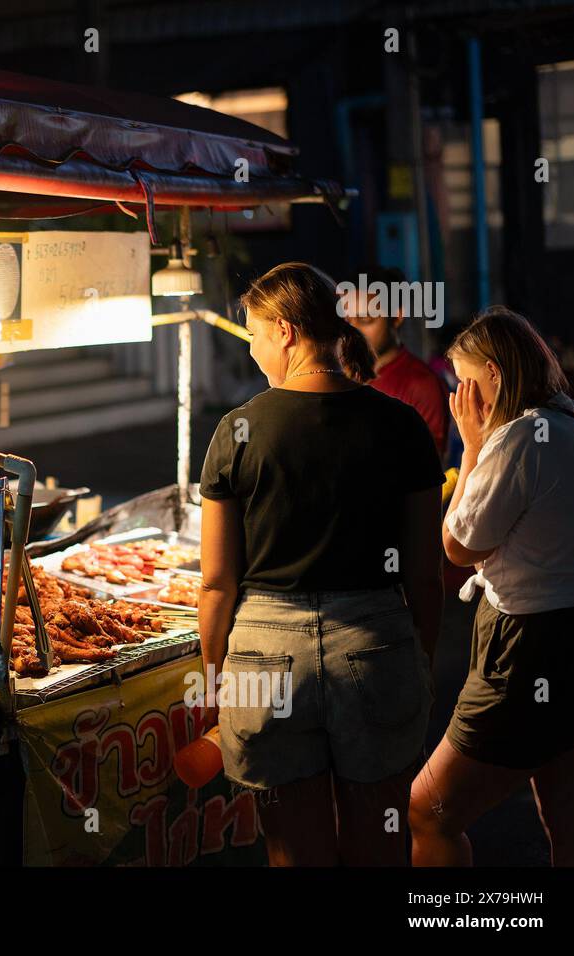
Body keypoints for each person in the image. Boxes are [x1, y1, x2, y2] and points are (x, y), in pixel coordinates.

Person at [199, 262, 444, 866]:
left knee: (293, 849)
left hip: (264, 653)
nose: (253, 350)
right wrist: (421, 659)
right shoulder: (399, 425)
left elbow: (216, 583)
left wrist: (211, 673)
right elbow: (423, 573)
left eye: (253, 333)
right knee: (380, 842)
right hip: (376, 642)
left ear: (284, 330)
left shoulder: (238, 432)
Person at [409, 306, 574, 866]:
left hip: (526, 646)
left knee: (426, 810)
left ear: (493, 372)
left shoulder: (516, 441)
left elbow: (459, 546)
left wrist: (469, 449)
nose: (462, 396)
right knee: (573, 826)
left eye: (465, 381)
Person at [341, 267, 450, 458]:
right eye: (348, 321)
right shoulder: (339, 375)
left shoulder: (421, 385)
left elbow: (427, 467)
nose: (354, 331)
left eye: (366, 319)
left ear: (397, 317)